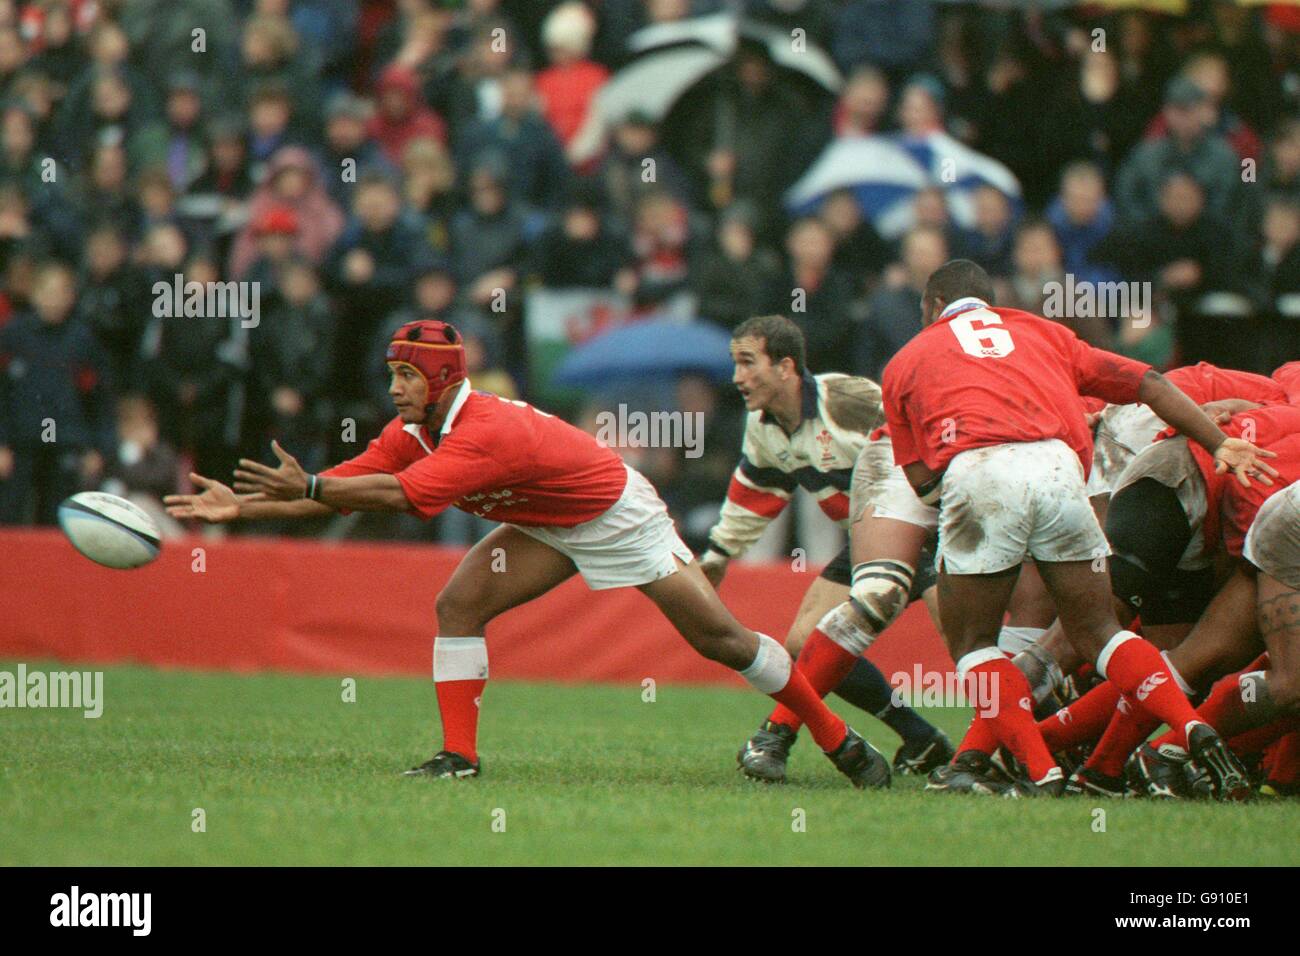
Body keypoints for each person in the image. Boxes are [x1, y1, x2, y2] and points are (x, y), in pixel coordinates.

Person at [164, 318, 888, 788]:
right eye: (392, 373)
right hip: (549, 523)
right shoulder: (413, 428)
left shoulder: (482, 431)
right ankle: (460, 758)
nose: (394, 387)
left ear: (442, 378)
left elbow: (401, 498)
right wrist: (243, 506)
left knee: (720, 640)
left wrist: (317, 483)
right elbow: (341, 489)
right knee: (458, 604)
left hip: (614, 514)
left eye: (407, 375)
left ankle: (836, 738)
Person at [883, 259, 1275, 799]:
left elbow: (923, 480)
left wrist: (969, 512)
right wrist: (1219, 442)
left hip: (988, 469)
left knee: (974, 641)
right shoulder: (1044, 332)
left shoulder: (907, 360)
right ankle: (1191, 728)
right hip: (1063, 467)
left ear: (929, 308)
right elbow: (1150, 381)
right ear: (992, 301)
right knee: (1099, 632)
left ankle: (1040, 772)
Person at [700, 315, 950, 784]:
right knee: (804, 641)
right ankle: (922, 738)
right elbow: (754, 491)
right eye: (735, 364)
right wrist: (717, 555)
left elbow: (931, 432)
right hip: (872, 538)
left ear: (786, 367)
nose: (736, 378)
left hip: (931, 529)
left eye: (747, 363)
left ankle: (1006, 753)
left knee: (971, 643)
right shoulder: (763, 426)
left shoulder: (849, 400)